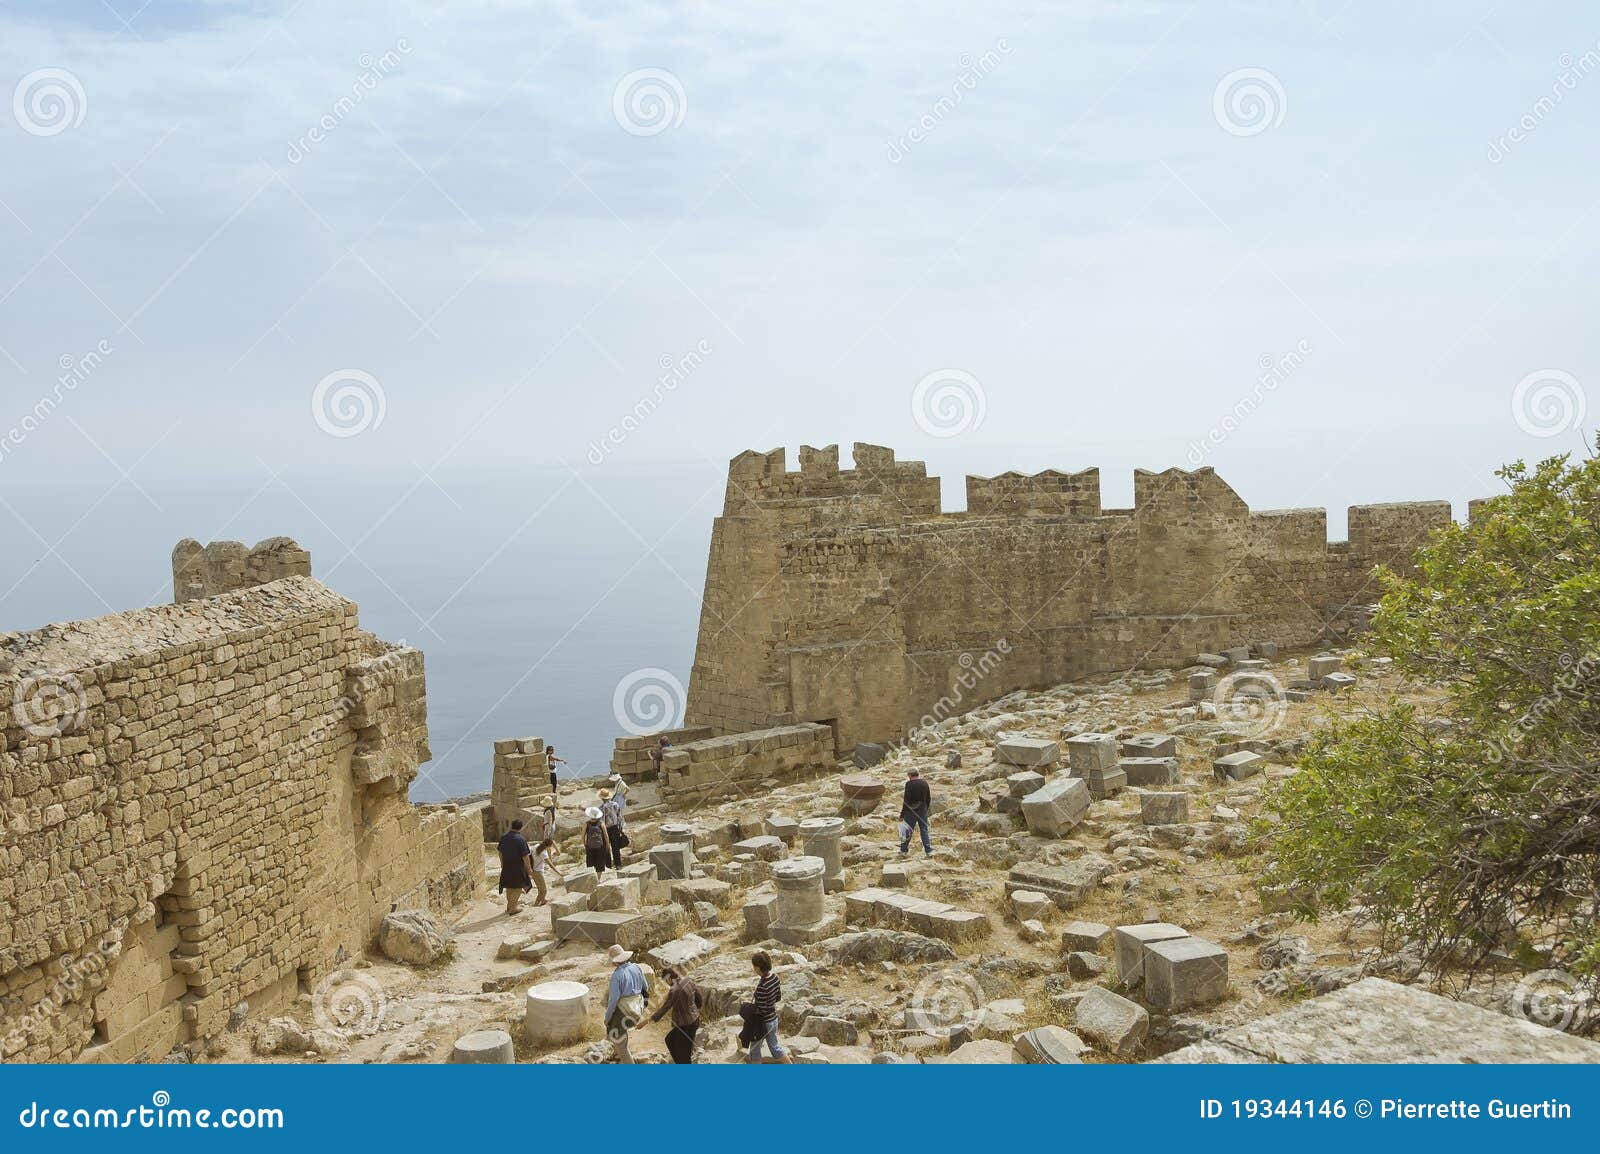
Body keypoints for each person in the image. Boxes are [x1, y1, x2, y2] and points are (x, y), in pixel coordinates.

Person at [644, 966, 702, 1064]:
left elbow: (665, 1008)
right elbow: (699, 997)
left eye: (666, 981)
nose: (666, 983)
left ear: (669, 978)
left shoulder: (674, 990)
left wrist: (647, 1021)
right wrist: (696, 1009)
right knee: (670, 1040)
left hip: (685, 1025)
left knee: (684, 1054)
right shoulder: (688, 980)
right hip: (694, 1020)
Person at [603, 944, 648, 1064]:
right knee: (622, 1033)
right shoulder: (637, 967)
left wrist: (607, 1018)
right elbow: (646, 987)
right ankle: (618, 1055)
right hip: (637, 1009)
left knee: (618, 1041)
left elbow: (613, 1000)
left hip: (623, 1011)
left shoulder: (617, 976)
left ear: (614, 961)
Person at [745, 951, 790, 1064]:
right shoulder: (775, 977)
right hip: (773, 1019)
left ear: (758, 968)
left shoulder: (762, 986)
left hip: (763, 1023)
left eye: (754, 966)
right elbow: (778, 997)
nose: (754, 968)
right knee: (775, 1047)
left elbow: (761, 1010)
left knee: (754, 1050)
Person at [496, 819, 534, 915]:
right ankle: (513, 909)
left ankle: (510, 906)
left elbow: (500, 852)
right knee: (517, 887)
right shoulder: (521, 839)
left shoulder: (504, 837)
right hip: (518, 867)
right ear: (520, 828)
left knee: (509, 886)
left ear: (511, 826)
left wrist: (502, 863)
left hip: (507, 866)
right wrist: (529, 869)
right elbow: (525, 856)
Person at [899, 767, 932, 857]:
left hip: (911, 812)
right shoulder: (924, 783)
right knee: (924, 830)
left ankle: (903, 851)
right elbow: (928, 798)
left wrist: (902, 814)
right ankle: (928, 851)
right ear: (917, 774)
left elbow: (906, 801)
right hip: (922, 810)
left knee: (906, 831)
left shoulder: (909, 784)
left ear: (910, 775)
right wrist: (926, 809)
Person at [598, 785, 629, 869]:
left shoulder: (601, 808)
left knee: (607, 847)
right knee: (616, 848)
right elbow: (620, 817)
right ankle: (618, 864)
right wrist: (620, 828)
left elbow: (601, 821)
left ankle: (608, 866)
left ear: (601, 798)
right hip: (615, 828)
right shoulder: (615, 804)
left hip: (606, 830)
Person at [582, 806, 610, 877]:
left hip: (590, 846)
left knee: (591, 863)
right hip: (600, 846)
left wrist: (585, 844)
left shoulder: (586, 824)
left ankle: (593, 879)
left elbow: (583, 836)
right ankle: (598, 879)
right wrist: (608, 845)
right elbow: (606, 836)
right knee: (600, 863)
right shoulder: (601, 824)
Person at [530, 837, 555, 907]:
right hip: (538, 872)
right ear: (549, 846)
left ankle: (543, 900)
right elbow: (551, 865)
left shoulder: (536, 846)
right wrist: (560, 873)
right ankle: (535, 905)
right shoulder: (544, 853)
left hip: (533, 871)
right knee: (544, 890)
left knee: (540, 889)